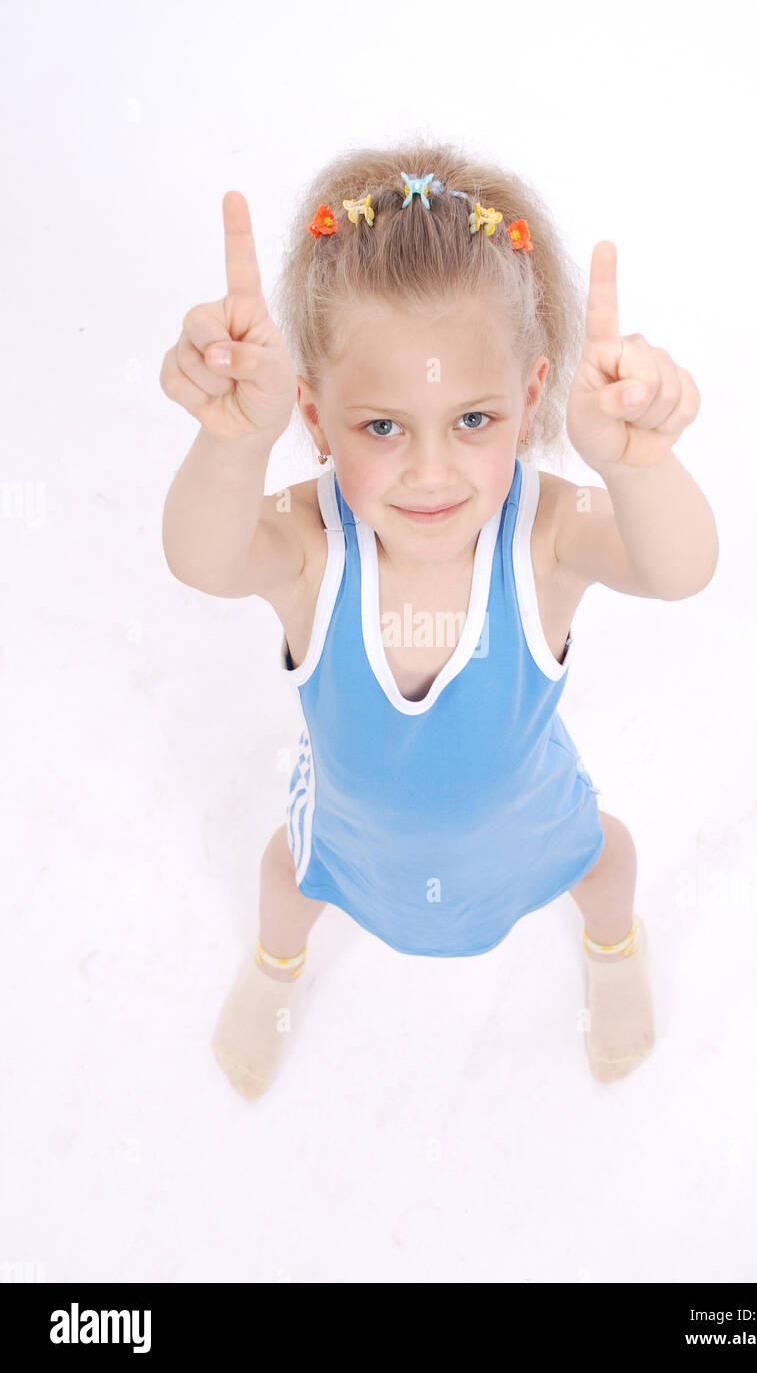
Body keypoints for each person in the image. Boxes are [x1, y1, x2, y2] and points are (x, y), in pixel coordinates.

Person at [160, 140, 716, 1100]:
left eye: (474, 421)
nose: (431, 472)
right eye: (382, 427)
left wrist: (637, 466)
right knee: (285, 880)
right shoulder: (307, 544)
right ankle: (278, 970)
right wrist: (230, 447)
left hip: (528, 820)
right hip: (351, 836)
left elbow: (681, 572)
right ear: (316, 415)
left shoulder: (543, 533)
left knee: (608, 856)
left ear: (530, 397)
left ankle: (615, 947)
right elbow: (202, 559)